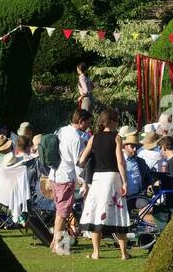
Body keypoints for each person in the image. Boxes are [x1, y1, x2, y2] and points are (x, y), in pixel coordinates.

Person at [77, 107, 130, 260]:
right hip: (113, 176)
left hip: (98, 179)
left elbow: (82, 160)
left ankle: (96, 252)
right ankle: (123, 253)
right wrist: (125, 181)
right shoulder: (117, 137)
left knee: (96, 214)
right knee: (118, 213)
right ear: (112, 121)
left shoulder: (94, 137)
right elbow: (120, 162)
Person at [51, 109, 92, 255]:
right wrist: (84, 182)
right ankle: (59, 245)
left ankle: (55, 242)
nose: (89, 126)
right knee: (63, 212)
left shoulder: (60, 130)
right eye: (88, 123)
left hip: (55, 175)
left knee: (60, 212)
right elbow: (78, 163)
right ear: (81, 121)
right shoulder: (76, 138)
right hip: (65, 177)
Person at [120, 130, 154, 208]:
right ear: (125, 146)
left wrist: (152, 183)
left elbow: (148, 176)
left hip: (139, 195)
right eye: (132, 147)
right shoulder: (120, 161)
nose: (135, 149)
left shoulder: (141, 161)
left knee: (148, 207)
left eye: (136, 147)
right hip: (124, 197)